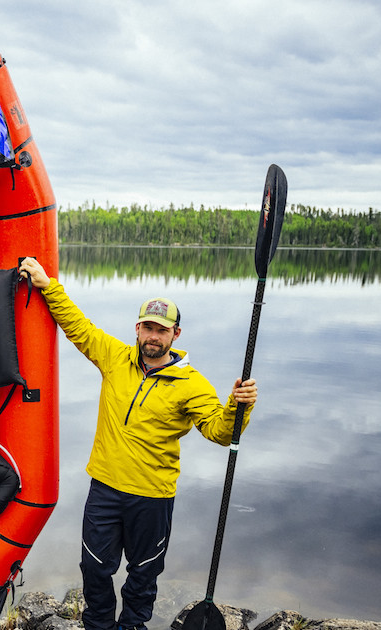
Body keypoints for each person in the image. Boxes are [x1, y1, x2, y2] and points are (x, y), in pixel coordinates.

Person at [18, 257, 258, 630]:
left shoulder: (192, 384)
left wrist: (238, 407)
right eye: (148, 328)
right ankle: (98, 625)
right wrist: (47, 285)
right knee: (95, 569)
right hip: (105, 488)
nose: (153, 336)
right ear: (137, 328)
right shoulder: (115, 358)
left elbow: (220, 432)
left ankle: (132, 626)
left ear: (175, 335)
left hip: (152, 497)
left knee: (143, 575)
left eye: (161, 330)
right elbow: (77, 326)